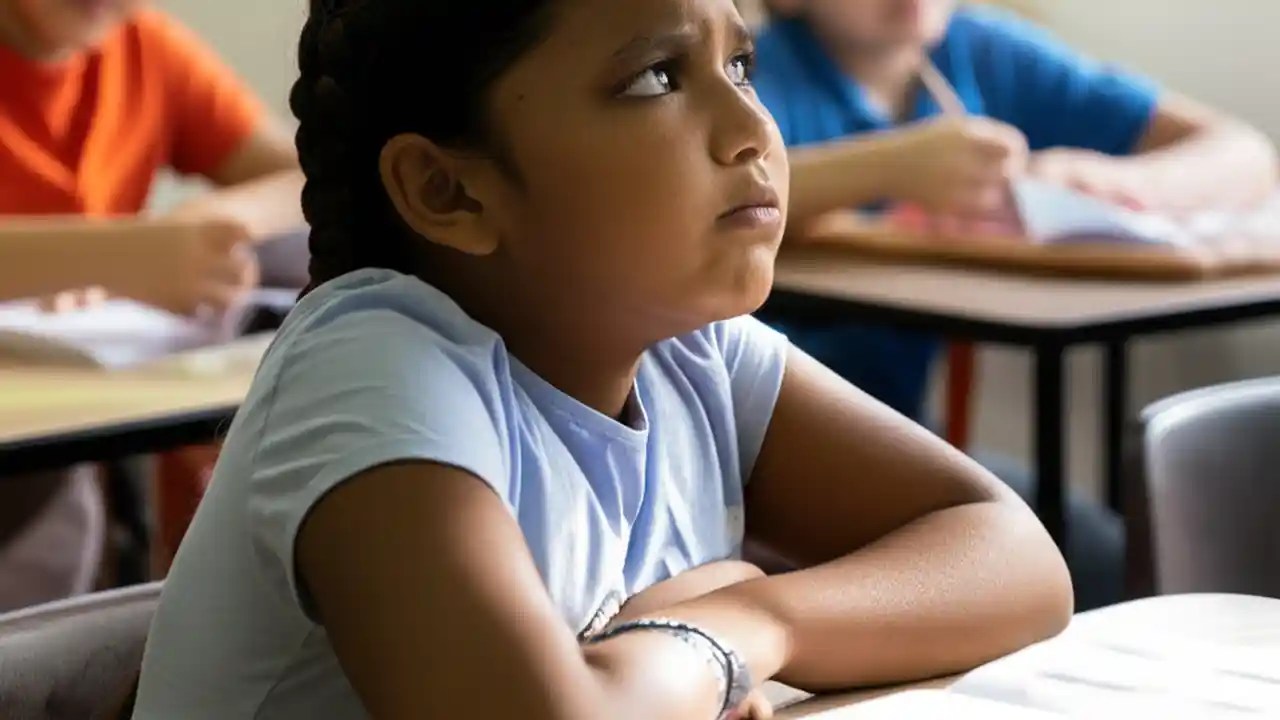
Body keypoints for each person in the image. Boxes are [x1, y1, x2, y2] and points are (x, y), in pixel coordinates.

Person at [131, 0, 1072, 717]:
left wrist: (746, 621)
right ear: (447, 188)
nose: (753, 131)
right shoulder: (374, 369)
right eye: (656, 78)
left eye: (739, 65)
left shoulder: (686, 348)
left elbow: (1014, 556)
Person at [749, 0, 1277, 610]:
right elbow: (697, 191)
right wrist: (889, 167)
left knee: (1112, 557)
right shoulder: (755, 71)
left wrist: (1109, 182)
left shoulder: (979, 52)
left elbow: (1242, 151)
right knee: (1067, 557)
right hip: (765, 461)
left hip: (901, 432)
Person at [0, 0, 301, 610]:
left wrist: (218, 220)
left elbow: (311, 175)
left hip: (90, 412)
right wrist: (117, 256)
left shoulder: (145, 47)